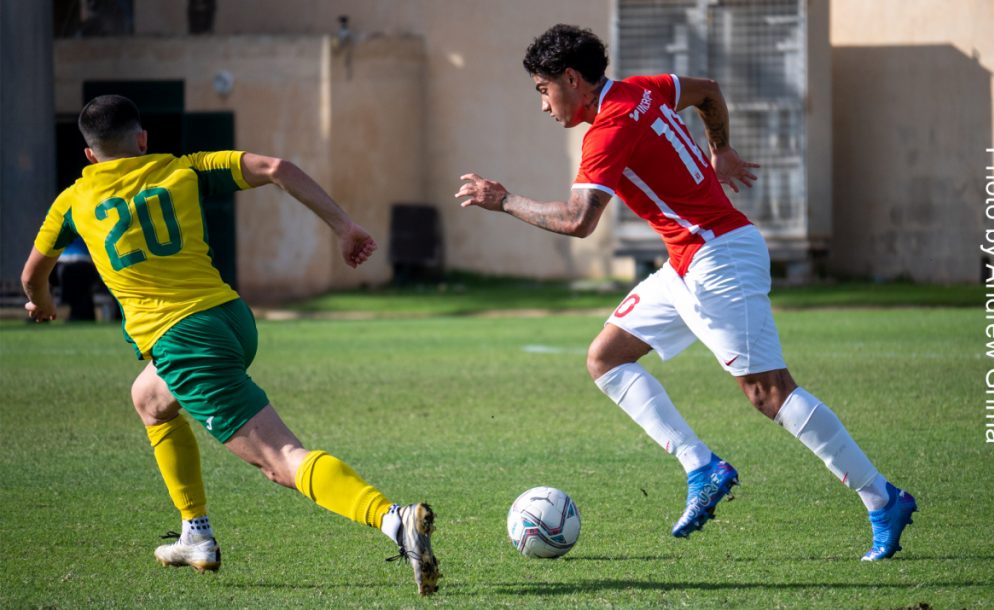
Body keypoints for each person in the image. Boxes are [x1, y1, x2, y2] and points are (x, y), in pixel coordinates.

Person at [456, 24, 916, 561]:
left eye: (542, 89)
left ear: (573, 79)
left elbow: (580, 220)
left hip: (718, 259)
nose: (542, 104)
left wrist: (504, 199)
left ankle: (882, 498)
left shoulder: (606, 130)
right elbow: (708, 91)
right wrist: (720, 149)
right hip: (690, 261)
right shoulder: (642, 88)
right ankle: (703, 467)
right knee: (607, 358)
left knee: (770, 393)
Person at [21, 95, 440, 594]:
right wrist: (344, 227)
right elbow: (277, 167)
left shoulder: (72, 200)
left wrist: (43, 305)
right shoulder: (185, 170)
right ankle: (195, 534)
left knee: (282, 459)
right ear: (142, 140)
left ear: (90, 156)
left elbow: (32, 276)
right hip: (231, 320)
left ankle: (393, 520)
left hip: (184, 342)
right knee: (150, 399)